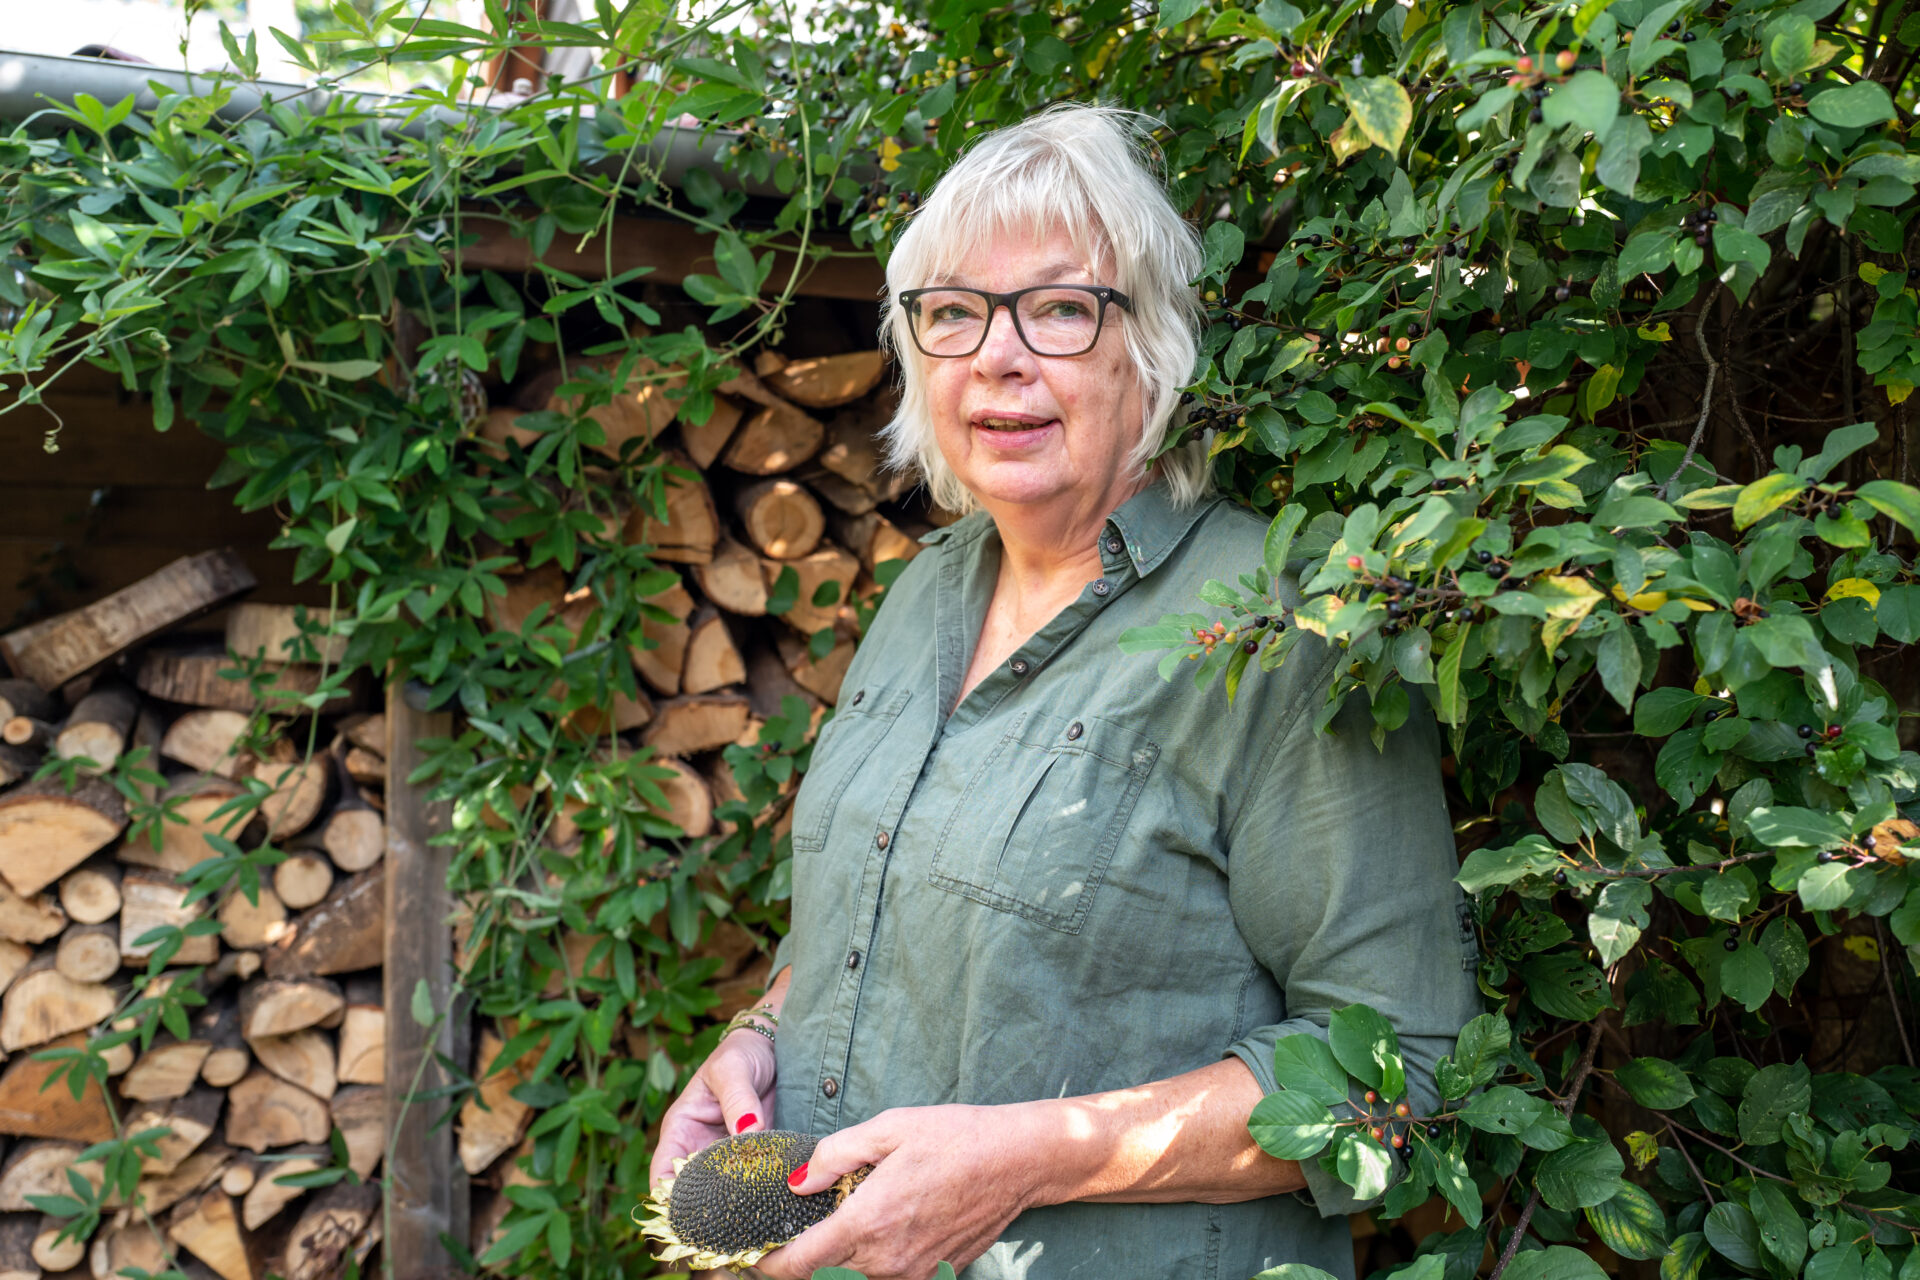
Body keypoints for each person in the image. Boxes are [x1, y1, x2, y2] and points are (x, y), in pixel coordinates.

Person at [649, 103, 1482, 1280]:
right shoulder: (924, 594)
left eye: (1057, 309)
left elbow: (1399, 1069)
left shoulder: (1274, 627)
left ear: (1150, 346)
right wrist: (755, 1041)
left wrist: (1026, 1158)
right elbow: (873, 922)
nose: (997, 356)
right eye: (952, 314)